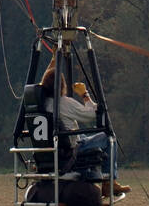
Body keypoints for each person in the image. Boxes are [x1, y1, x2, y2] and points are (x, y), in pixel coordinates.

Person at [39, 57, 131, 197]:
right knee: (108, 138)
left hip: (52, 149)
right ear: (62, 86)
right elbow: (92, 114)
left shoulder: (42, 103)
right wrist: (84, 94)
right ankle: (108, 183)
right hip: (71, 150)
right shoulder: (65, 103)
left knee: (80, 135)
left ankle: (106, 181)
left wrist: (54, 58)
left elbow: (43, 83)